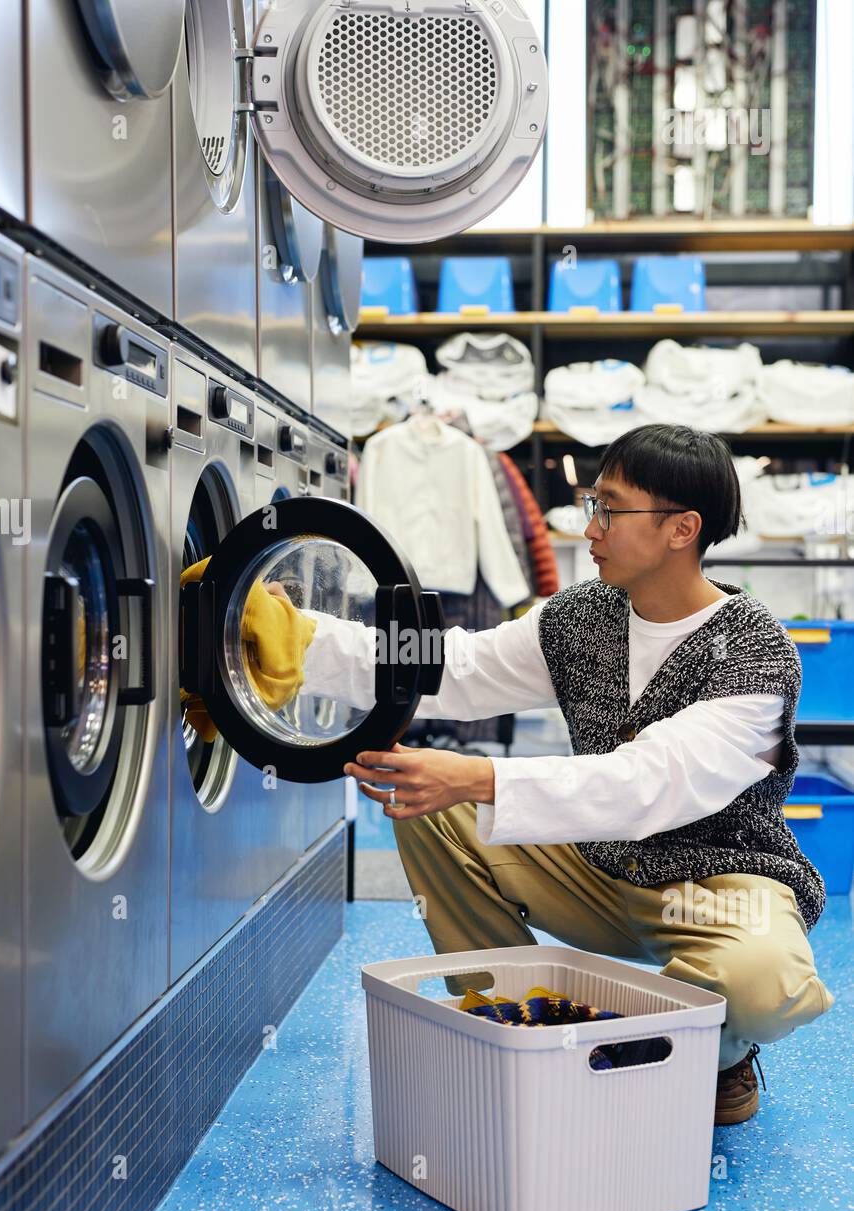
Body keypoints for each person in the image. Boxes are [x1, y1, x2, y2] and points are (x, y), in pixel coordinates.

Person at [293, 422, 836, 1126]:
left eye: (611, 509)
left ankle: (722, 1057)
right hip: (596, 865)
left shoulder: (755, 653)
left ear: (683, 529)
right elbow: (454, 669)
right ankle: (516, 1026)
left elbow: (650, 784)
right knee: (427, 802)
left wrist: (480, 778)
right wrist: (295, 636)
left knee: (762, 983)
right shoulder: (583, 618)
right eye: (593, 506)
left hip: (718, 884)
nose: (590, 529)